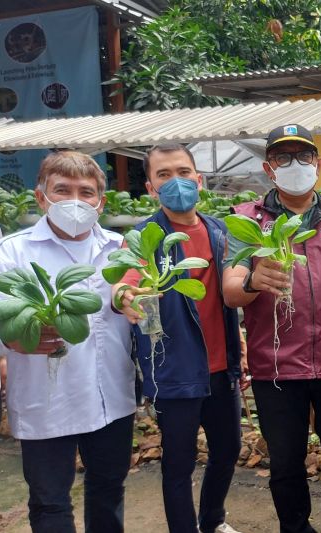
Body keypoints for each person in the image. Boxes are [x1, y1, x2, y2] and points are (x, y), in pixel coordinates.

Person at [222, 124, 321, 533]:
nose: (295, 165)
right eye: (283, 158)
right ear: (269, 169)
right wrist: (253, 281)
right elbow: (231, 290)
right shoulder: (248, 221)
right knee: (286, 463)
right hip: (276, 370)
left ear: (318, 163)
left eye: (303, 156)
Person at [0, 151, 135, 533]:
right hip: (47, 399)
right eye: (62, 190)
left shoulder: (119, 248)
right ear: (41, 197)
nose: (75, 201)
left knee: (108, 490)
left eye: (86, 192)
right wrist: (14, 340)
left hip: (111, 399)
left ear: (101, 202)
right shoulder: (13, 251)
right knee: (49, 502)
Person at [112, 143, 244, 533]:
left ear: (199, 180)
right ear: (151, 188)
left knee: (227, 451)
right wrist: (123, 296)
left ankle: (213, 520)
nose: (176, 182)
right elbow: (126, 282)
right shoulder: (144, 237)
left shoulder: (221, 231)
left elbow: (229, 295)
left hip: (222, 368)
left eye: (184, 172)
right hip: (174, 371)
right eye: (164, 175)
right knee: (178, 463)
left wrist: (240, 342)